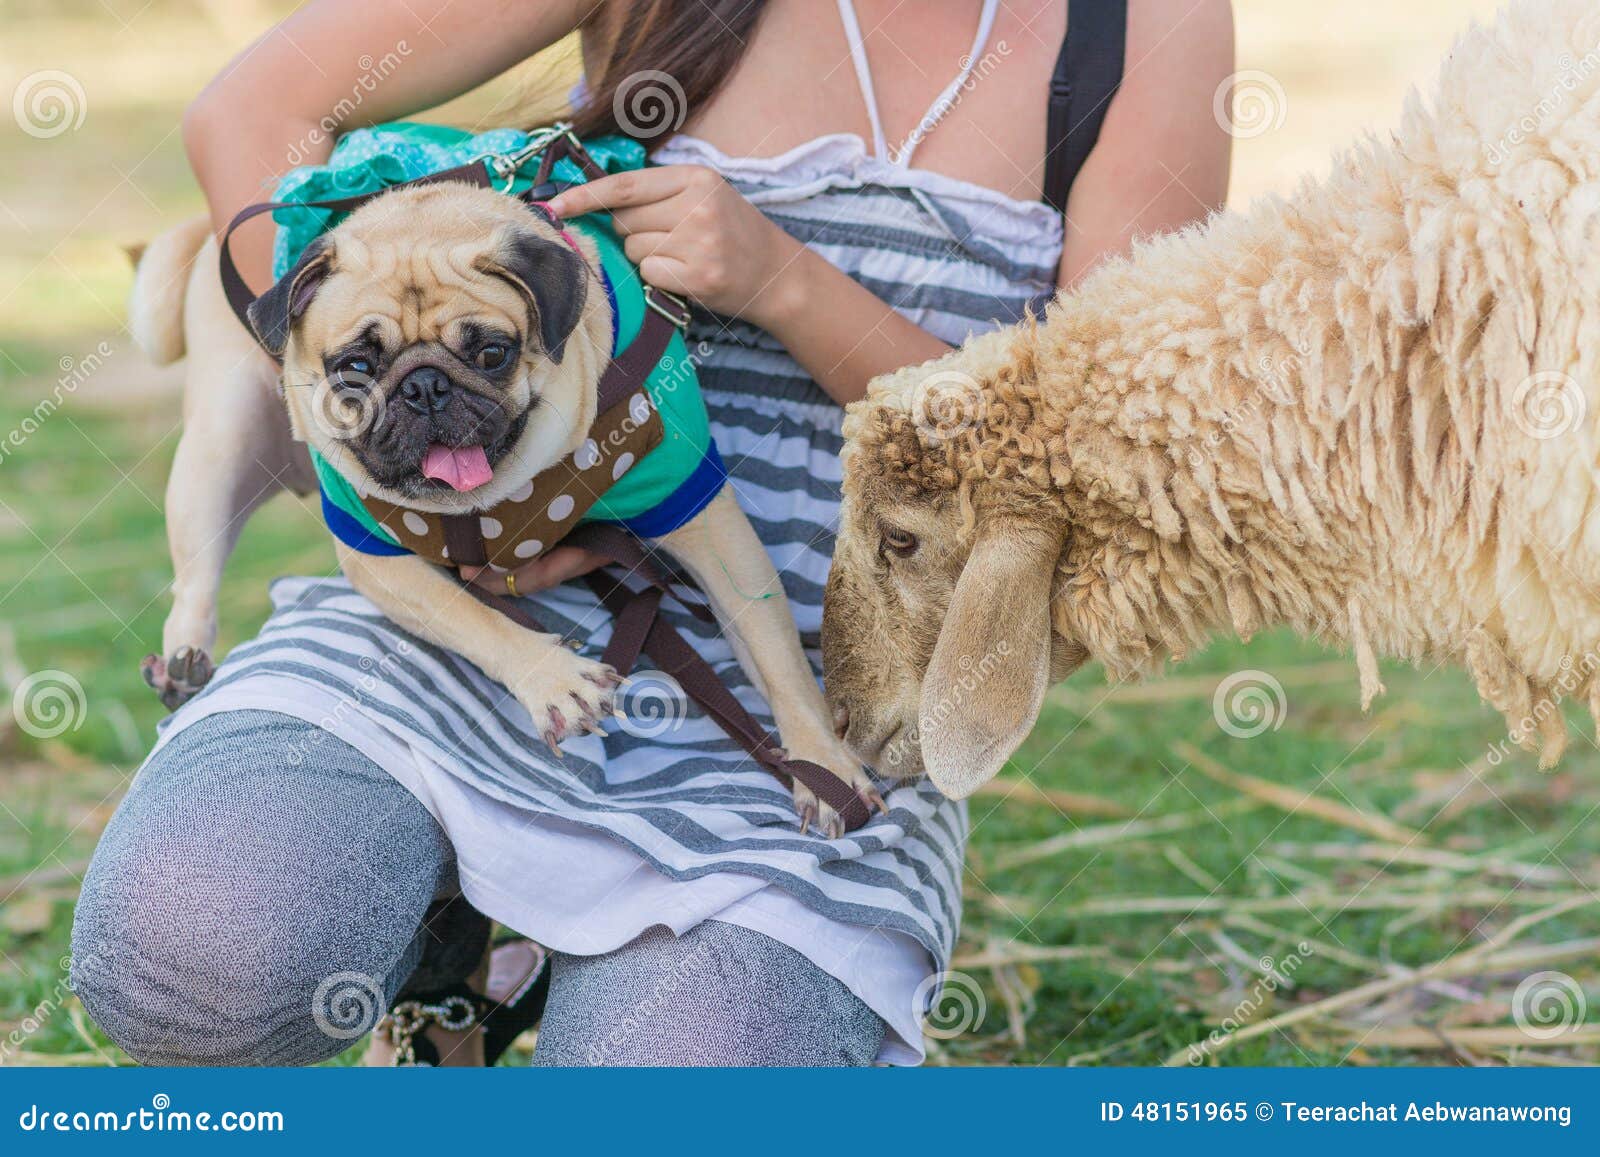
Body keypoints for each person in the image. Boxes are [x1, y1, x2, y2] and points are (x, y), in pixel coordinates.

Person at [72, 0, 1231, 1066]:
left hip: (813, 718)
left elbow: (1086, 467)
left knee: (678, 1085)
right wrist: (382, 399)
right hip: (481, 622)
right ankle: (447, 926)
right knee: (189, 955)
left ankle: (548, 969)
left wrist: (784, 280)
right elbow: (247, 111)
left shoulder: (1135, 28)